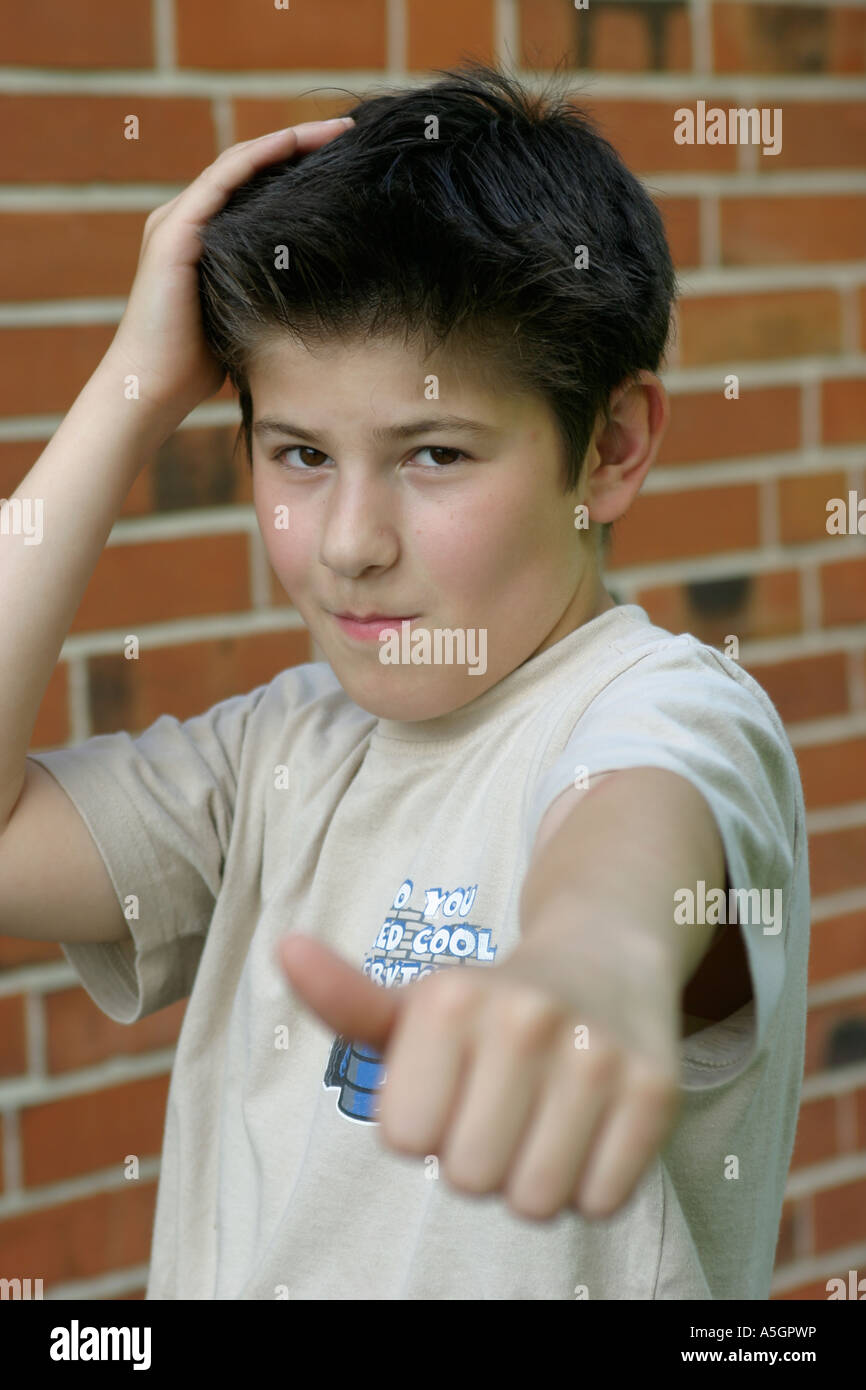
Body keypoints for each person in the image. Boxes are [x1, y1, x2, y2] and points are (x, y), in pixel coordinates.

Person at [0, 61, 808, 1300]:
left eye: (433, 452)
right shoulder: (272, 750)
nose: (347, 541)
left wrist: (583, 967)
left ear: (611, 446)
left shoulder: (665, 705)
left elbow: (637, 843)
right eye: (301, 454)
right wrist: (129, 388)